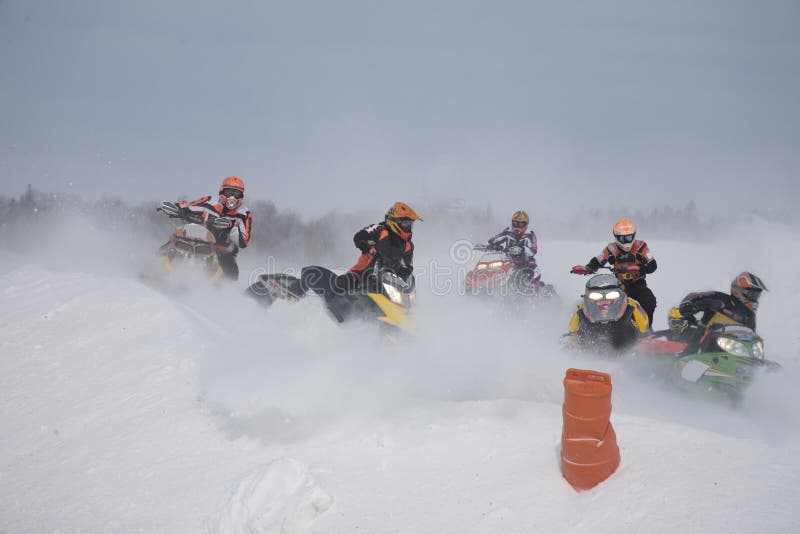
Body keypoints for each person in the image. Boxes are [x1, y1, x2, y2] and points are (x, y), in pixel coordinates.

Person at [574, 218, 657, 326]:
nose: (626, 241)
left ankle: (647, 329)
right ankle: (592, 327)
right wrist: (589, 267)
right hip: (618, 286)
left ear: (634, 235)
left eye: (629, 237)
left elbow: (652, 264)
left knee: (649, 300)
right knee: (596, 302)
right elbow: (599, 259)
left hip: (638, 285)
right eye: (623, 238)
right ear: (616, 237)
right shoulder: (611, 248)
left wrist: (641, 269)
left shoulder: (641, 247)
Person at [175, 176, 253, 280]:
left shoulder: (244, 214)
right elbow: (190, 206)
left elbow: (244, 241)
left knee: (231, 274)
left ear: (241, 195)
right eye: (229, 192)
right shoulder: (210, 201)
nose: (232, 197)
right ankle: (155, 267)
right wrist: (178, 208)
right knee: (174, 242)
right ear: (222, 191)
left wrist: (229, 227)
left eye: (236, 194)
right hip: (197, 240)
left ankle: (225, 293)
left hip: (222, 250)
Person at [334, 201, 422, 292]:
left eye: (410, 224)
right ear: (394, 221)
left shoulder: (408, 245)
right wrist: (365, 244)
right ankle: (332, 300)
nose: (408, 227)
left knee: (408, 291)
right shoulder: (380, 230)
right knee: (343, 282)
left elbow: (407, 268)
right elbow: (359, 236)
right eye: (406, 224)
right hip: (361, 275)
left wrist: (405, 276)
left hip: (388, 283)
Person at [486, 210, 541, 294]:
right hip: (508, 261)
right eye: (515, 223)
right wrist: (492, 244)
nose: (517, 226)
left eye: (520, 224)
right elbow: (495, 238)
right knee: (491, 270)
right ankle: (483, 288)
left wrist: (522, 249)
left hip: (526, 264)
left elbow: (533, 250)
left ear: (525, 224)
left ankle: (534, 297)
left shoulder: (529, 235)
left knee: (523, 278)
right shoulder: (508, 232)